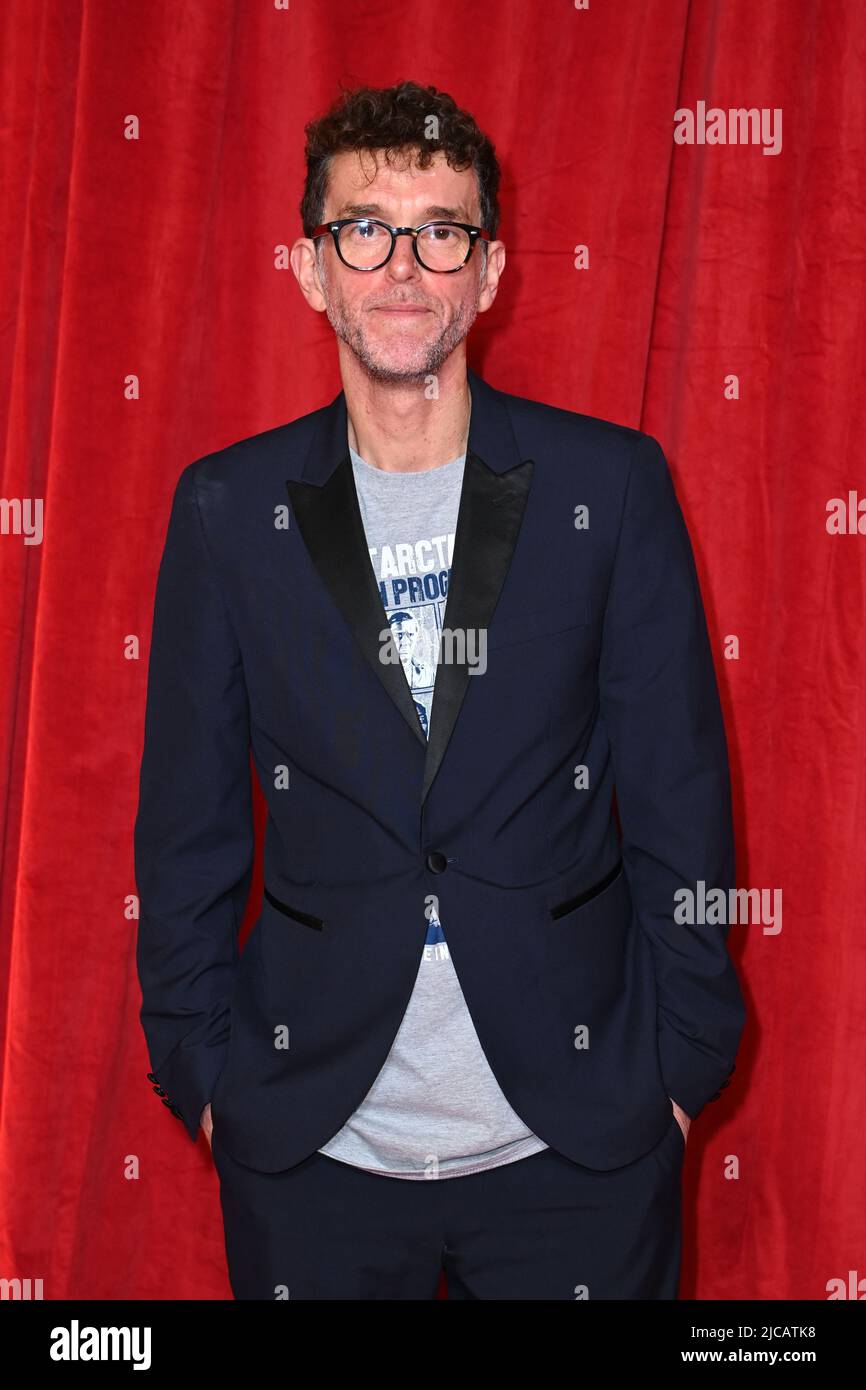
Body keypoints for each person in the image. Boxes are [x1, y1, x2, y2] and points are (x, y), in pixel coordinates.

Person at [134, 79, 745, 1300]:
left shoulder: (608, 489)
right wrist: (211, 1087)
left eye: (440, 230)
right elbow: (185, 832)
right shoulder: (224, 511)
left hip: (576, 1148)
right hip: (314, 1156)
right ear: (312, 269)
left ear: (489, 269)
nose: (401, 266)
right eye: (363, 227)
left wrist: (675, 1078)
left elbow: (680, 805)